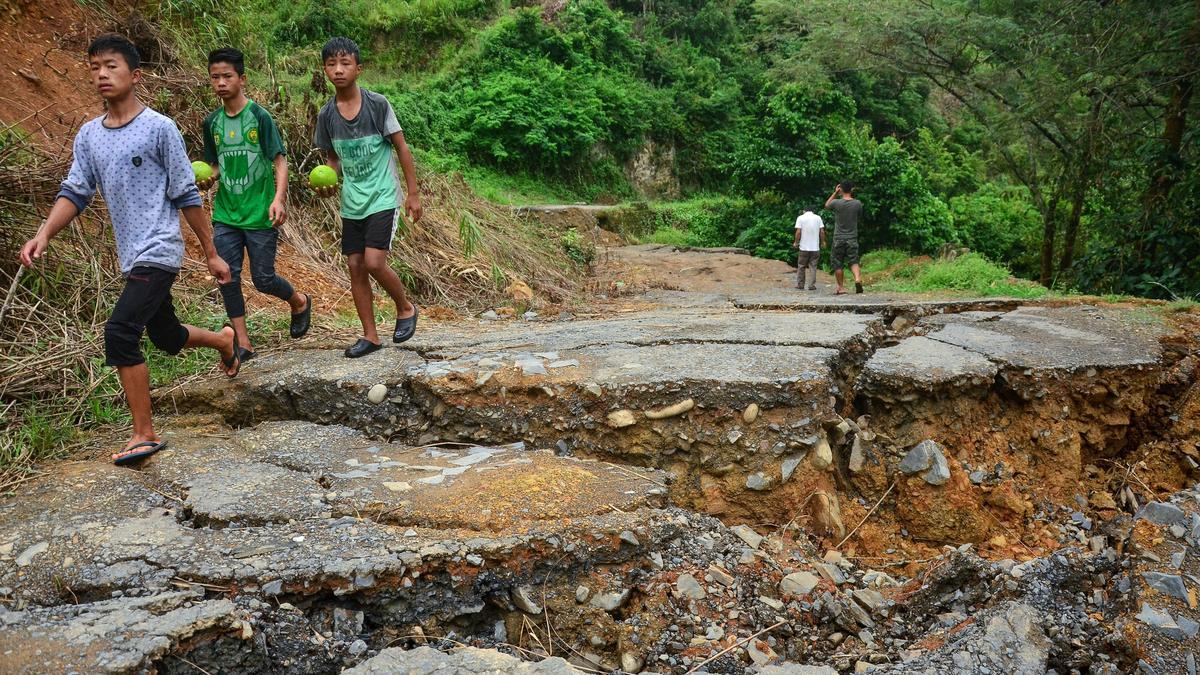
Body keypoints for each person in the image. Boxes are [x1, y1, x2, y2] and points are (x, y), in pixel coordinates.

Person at [18, 34, 238, 465]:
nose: (102, 73)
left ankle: (143, 433)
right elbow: (75, 191)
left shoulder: (159, 128)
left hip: (160, 247)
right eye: (95, 66)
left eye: (112, 66)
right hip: (130, 254)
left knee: (120, 332)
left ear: (135, 75)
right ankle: (224, 341)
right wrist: (44, 233)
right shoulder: (88, 136)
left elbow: (185, 194)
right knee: (166, 336)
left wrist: (211, 252)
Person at [311, 37, 423, 358]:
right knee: (355, 265)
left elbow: (401, 147)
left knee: (374, 262)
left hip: (383, 196)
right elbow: (332, 161)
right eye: (332, 64)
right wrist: (328, 182)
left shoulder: (378, 105)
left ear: (358, 69)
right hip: (352, 202)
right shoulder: (327, 116)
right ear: (325, 70)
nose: (338, 70)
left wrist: (412, 193)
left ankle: (404, 307)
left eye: (345, 63)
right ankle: (370, 336)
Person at [200, 47, 311, 363]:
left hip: (260, 213)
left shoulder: (259, 117)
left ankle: (299, 301)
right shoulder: (212, 123)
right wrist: (208, 177)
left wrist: (278, 199)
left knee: (263, 279)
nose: (221, 82)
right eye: (215, 77)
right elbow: (216, 164)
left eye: (227, 76)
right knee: (228, 276)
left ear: (241, 78)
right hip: (226, 214)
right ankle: (243, 342)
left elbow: (280, 161)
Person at [824, 181, 865, 294]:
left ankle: (841, 288)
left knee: (838, 263)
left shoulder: (836, 203)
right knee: (854, 261)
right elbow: (859, 215)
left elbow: (827, 205)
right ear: (852, 189)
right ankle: (857, 279)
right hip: (852, 237)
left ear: (841, 189)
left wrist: (835, 193)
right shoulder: (857, 203)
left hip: (838, 238)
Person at [792, 205, 825, 290]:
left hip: (804, 247)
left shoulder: (800, 218)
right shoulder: (818, 218)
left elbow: (798, 232)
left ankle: (800, 284)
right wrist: (823, 242)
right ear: (813, 211)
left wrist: (796, 242)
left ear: (804, 211)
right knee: (813, 266)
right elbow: (822, 232)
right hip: (815, 247)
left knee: (801, 266)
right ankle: (811, 285)